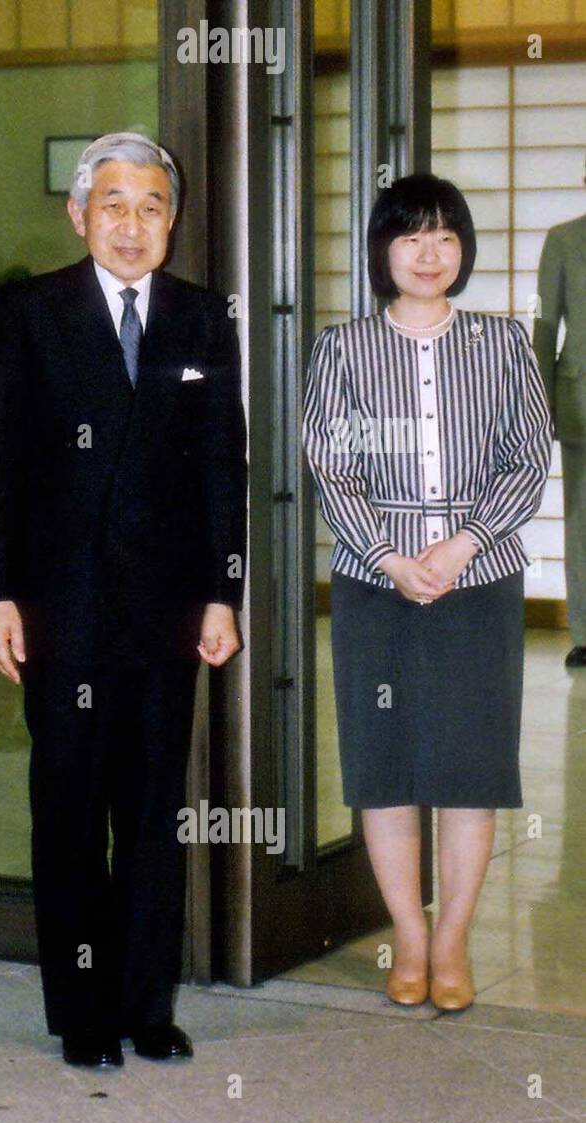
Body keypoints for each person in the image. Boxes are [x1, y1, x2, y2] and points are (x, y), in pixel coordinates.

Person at [0, 133, 247, 1068]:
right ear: (79, 214)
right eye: (114, 205)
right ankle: (82, 1011)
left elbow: (223, 468)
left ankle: (145, 1003)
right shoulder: (31, 311)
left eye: (152, 207)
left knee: (152, 810)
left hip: (168, 608)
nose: (132, 225)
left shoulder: (203, 320)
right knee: (69, 804)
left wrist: (223, 593)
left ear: (173, 221)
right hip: (64, 603)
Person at [302, 173, 551, 1012]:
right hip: (378, 585)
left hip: (478, 580)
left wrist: (461, 543)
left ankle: (453, 943)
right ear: (384, 249)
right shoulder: (342, 349)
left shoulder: (504, 343)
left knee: (470, 769)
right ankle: (408, 933)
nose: (429, 252)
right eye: (412, 236)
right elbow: (327, 460)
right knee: (387, 766)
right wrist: (388, 553)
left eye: (446, 236)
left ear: (463, 250)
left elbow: (528, 458)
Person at [533, 157, 586, 667]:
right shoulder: (564, 240)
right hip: (581, 400)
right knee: (582, 518)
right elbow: (545, 325)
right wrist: (540, 400)